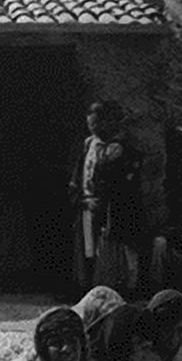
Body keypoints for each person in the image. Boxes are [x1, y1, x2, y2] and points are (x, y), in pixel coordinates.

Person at [68, 101, 147, 296]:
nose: (93, 128)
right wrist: (82, 200)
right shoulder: (89, 145)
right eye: (90, 125)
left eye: (96, 124)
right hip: (87, 206)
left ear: (107, 123)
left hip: (111, 211)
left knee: (111, 252)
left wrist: (104, 203)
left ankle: (115, 291)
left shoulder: (121, 149)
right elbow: (79, 175)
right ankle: (86, 290)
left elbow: (122, 185)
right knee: (88, 250)